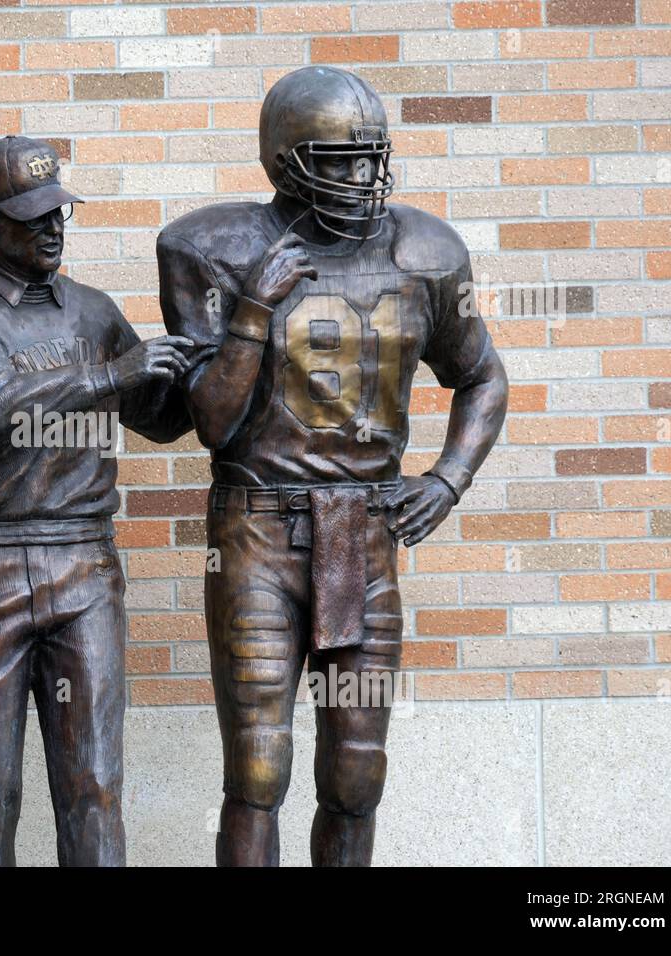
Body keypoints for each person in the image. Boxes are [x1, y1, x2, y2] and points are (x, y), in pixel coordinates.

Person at [157, 66, 509, 866]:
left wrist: (447, 479)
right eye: (338, 159)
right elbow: (211, 421)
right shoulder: (215, 247)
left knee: (357, 772)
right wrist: (253, 308)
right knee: (258, 763)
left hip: (367, 534)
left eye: (369, 157)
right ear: (284, 161)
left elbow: (482, 374)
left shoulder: (425, 251)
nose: (360, 176)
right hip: (260, 532)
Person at [0, 135, 193, 866]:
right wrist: (113, 375)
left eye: (58, 211)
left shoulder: (93, 314)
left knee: (94, 784)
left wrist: (219, 350)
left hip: (83, 563)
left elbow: (159, 419)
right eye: (31, 215)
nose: (52, 227)